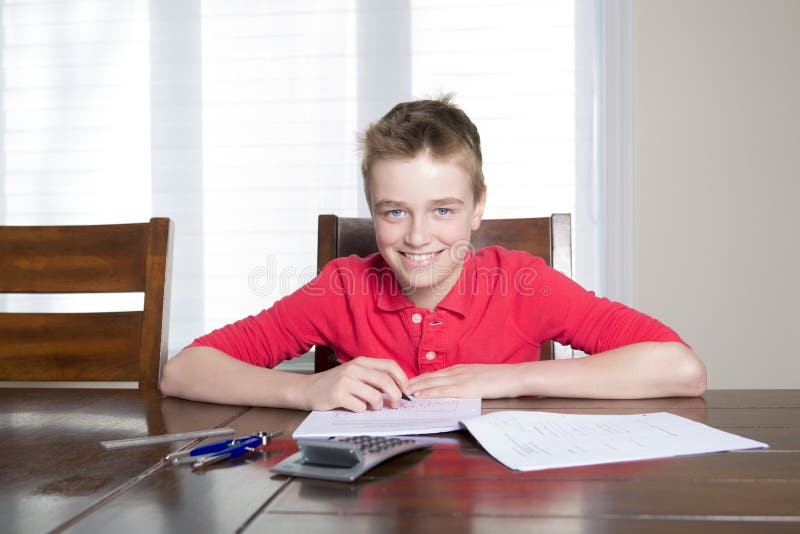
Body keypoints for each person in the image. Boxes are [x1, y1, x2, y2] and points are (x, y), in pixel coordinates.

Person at [160, 96, 706, 411]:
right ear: (372, 208)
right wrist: (305, 388)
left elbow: (681, 369)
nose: (418, 237)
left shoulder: (523, 284)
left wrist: (508, 379)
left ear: (477, 209)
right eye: (395, 211)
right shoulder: (343, 287)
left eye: (442, 210)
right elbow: (183, 372)